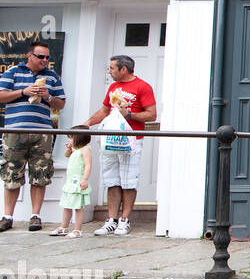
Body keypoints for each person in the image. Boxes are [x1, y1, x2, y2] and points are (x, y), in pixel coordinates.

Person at [0, 38, 67, 232]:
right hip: (15, 130)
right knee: (12, 172)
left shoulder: (52, 77)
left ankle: (35, 216)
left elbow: (61, 104)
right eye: (40, 57)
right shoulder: (13, 72)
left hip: (42, 131)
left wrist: (47, 96)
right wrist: (24, 91)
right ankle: (7, 216)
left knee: (40, 174)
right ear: (29, 56)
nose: (44, 60)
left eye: (47, 57)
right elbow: (1, 95)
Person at [84, 55, 156, 236]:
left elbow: (151, 115)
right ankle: (111, 219)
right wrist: (87, 123)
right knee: (111, 179)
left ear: (123, 69)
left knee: (129, 180)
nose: (109, 71)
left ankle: (124, 220)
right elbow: (105, 110)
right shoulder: (113, 87)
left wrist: (129, 114)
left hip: (132, 139)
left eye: (112, 68)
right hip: (110, 138)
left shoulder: (143, 86)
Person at [53, 126, 93, 238]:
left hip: (78, 183)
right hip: (70, 183)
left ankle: (77, 229)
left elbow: (88, 165)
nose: (69, 140)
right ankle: (64, 226)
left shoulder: (85, 149)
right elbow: (67, 155)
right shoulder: (75, 150)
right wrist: (69, 149)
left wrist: (85, 179)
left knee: (78, 207)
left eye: (71, 138)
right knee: (67, 205)